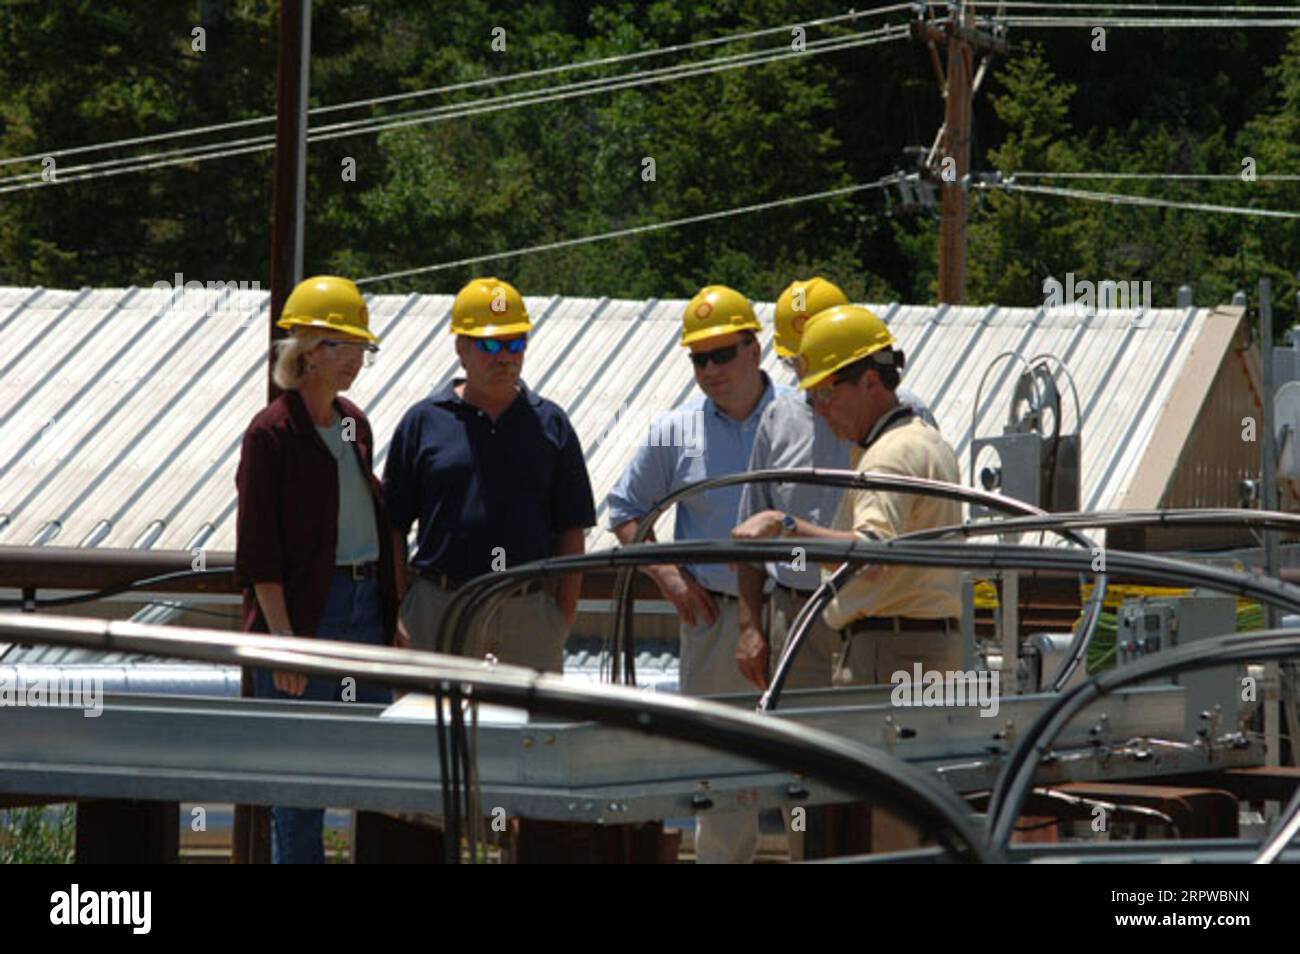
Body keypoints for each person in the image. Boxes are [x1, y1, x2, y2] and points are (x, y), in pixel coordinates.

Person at [733, 303, 964, 854]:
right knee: (909, 813)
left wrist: (786, 523)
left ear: (869, 381)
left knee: (871, 826)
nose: (819, 407)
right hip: (924, 641)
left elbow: (873, 555)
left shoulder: (888, 456)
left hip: (885, 647)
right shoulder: (926, 440)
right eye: (811, 396)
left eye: (826, 392)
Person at [606, 284, 788, 864]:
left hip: (796, 613)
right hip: (713, 618)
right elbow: (624, 511)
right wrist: (671, 578)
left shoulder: (802, 420)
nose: (710, 369)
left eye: (722, 354)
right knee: (720, 769)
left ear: (754, 350)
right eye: (698, 358)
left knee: (815, 763)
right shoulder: (673, 431)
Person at [235, 275, 401, 864]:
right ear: (304, 350)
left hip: (363, 611)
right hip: (303, 620)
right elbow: (259, 553)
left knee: (377, 771)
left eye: (360, 347)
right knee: (298, 785)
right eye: (340, 346)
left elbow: (369, 525)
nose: (355, 360)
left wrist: (390, 613)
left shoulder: (354, 421)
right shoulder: (270, 433)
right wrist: (284, 644)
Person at [735, 278, 937, 693]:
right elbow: (751, 541)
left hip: (877, 620)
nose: (810, 386)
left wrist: (787, 524)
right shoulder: (778, 418)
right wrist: (750, 626)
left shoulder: (901, 416)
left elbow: (911, 532)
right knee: (801, 745)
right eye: (796, 366)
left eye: (823, 376)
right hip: (795, 613)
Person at [384, 276, 595, 672]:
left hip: (528, 612)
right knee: (431, 727)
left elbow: (573, 527)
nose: (505, 357)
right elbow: (393, 525)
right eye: (490, 345)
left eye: (516, 344)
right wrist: (403, 608)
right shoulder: (422, 422)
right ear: (461, 348)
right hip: (439, 607)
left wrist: (559, 619)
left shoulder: (551, 424)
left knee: (530, 733)